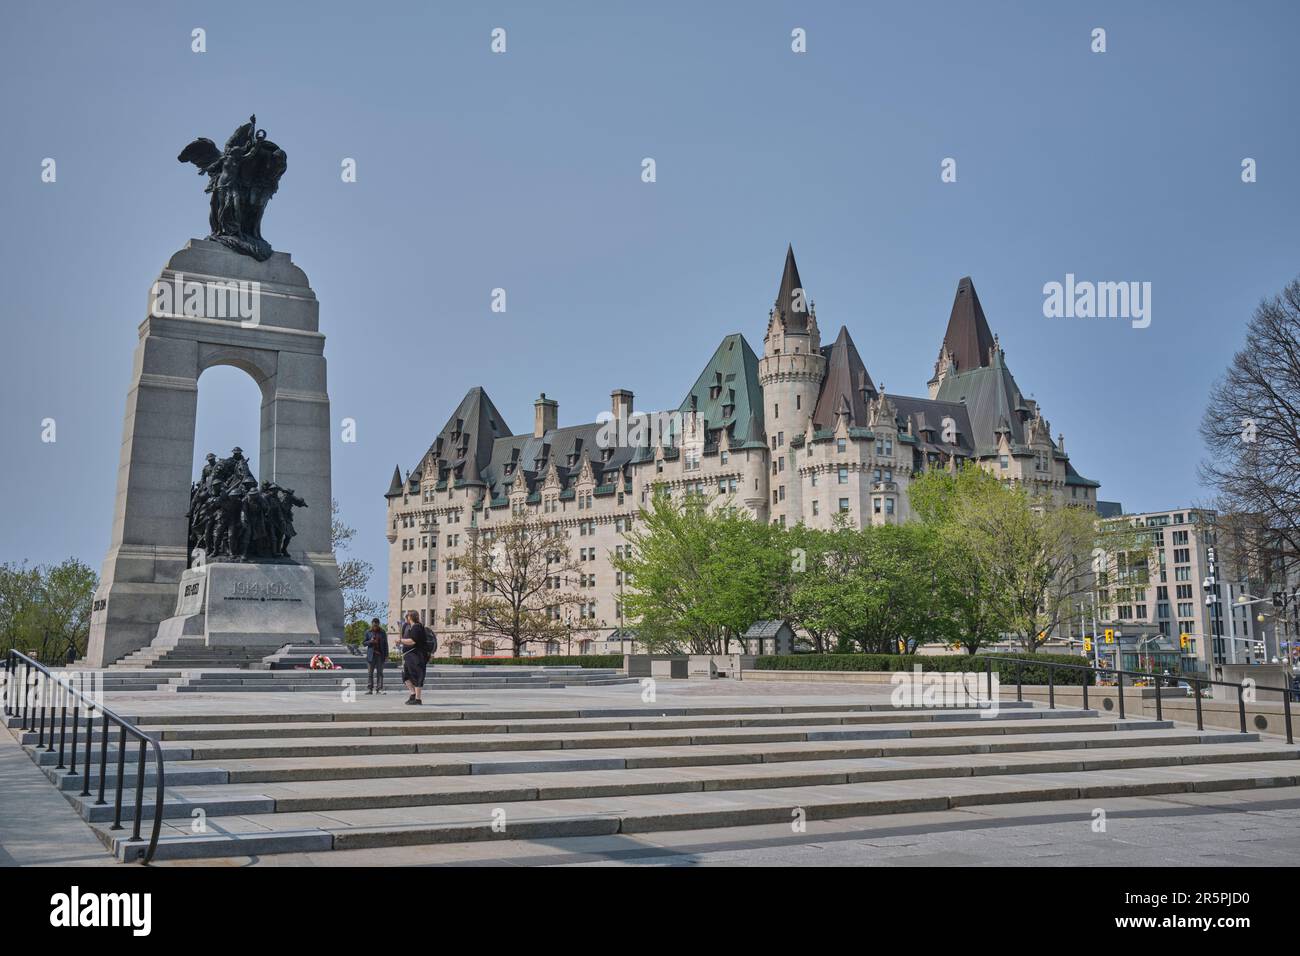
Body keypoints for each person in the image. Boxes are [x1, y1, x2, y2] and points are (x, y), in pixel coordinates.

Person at [397, 610, 430, 705]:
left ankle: (418, 699)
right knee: (406, 675)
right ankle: (412, 694)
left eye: (407, 616)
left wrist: (400, 641)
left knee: (416, 676)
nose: (406, 618)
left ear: (410, 617)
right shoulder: (409, 627)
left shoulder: (417, 627)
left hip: (417, 656)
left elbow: (412, 641)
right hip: (409, 656)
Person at [362, 618, 388, 694]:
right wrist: (370, 641)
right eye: (374, 625)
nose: (375, 626)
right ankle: (370, 689)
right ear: (372, 624)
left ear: (378, 624)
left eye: (376, 625)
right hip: (371, 655)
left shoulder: (382, 632)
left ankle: (379, 689)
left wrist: (386, 655)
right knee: (370, 673)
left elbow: (386, 644)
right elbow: (364, 643)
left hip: (380, 655)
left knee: (380, 673)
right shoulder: (368, 632)